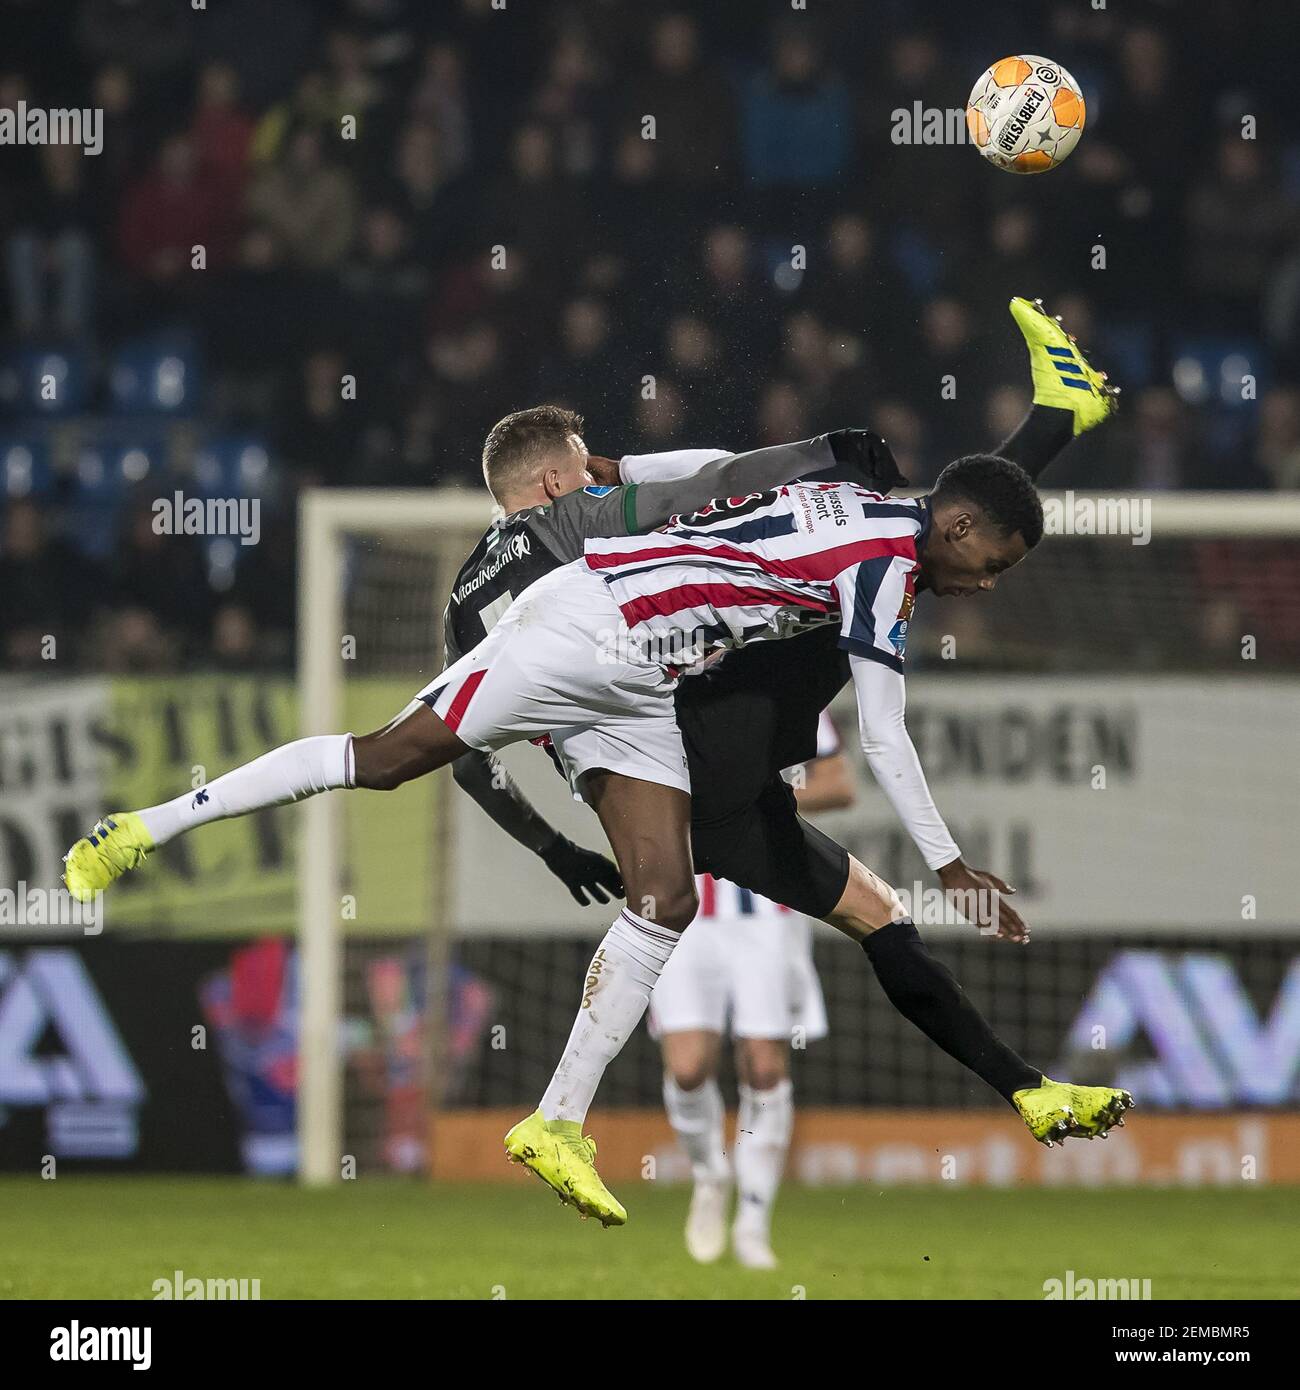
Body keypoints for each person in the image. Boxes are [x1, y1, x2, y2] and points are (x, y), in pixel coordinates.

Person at [63, 299, 1131, 1227]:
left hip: (644, 689)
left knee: (664, 898)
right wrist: (949, 863)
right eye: (991, 562)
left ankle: (555, 1122)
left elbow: (726, 480)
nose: (987, 585)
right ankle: (141, 828)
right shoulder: (862, 551)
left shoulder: (862, 509)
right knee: (383, 758)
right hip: (583, 634)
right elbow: (885, 724)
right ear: (543, 486)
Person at [652, 711, 851, 1270]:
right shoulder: (655, 679)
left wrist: (765, 800)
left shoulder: (783, 681)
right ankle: (710, 1174)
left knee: (764, 1066)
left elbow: (838, 781)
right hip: (680, 904)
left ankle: (754, 1223)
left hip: (767, 909)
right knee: (688, 1067)